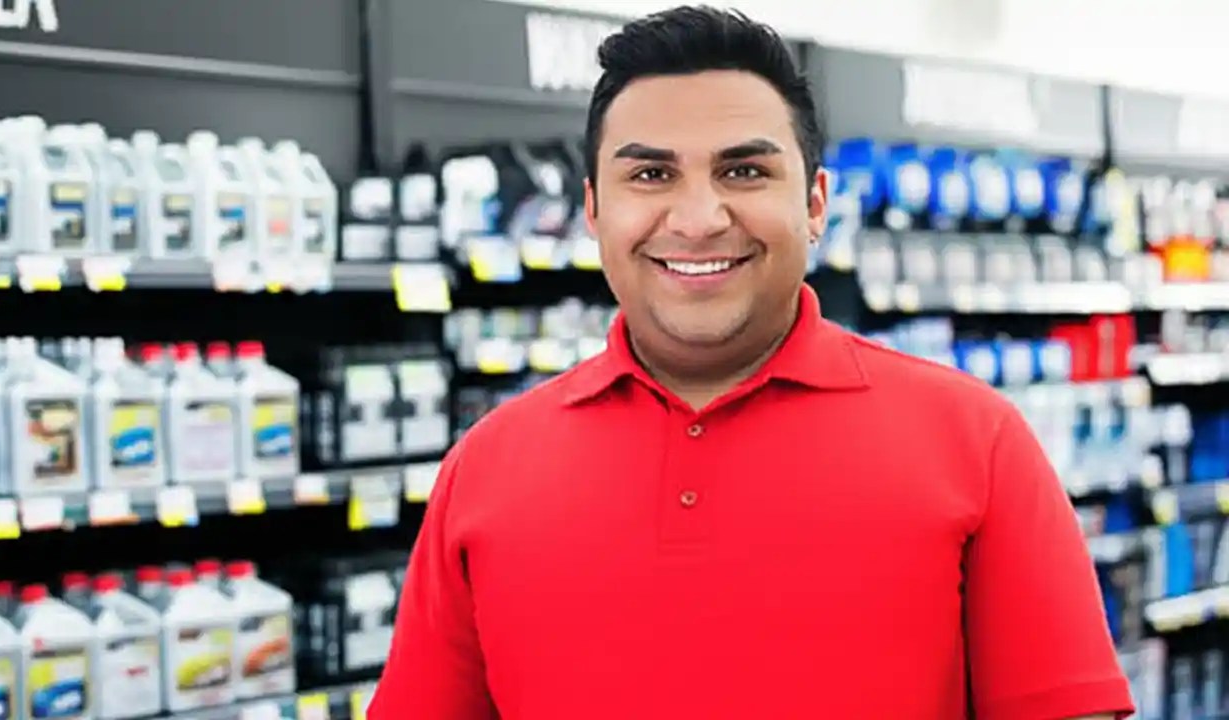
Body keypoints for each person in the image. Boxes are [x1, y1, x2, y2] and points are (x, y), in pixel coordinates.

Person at [369, 6, 1134, 719]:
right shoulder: (486, 470)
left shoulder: (979, 444)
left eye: (743, 172)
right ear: (594, 210)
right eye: (650, 175)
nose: (699, 219)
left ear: (815, 204)